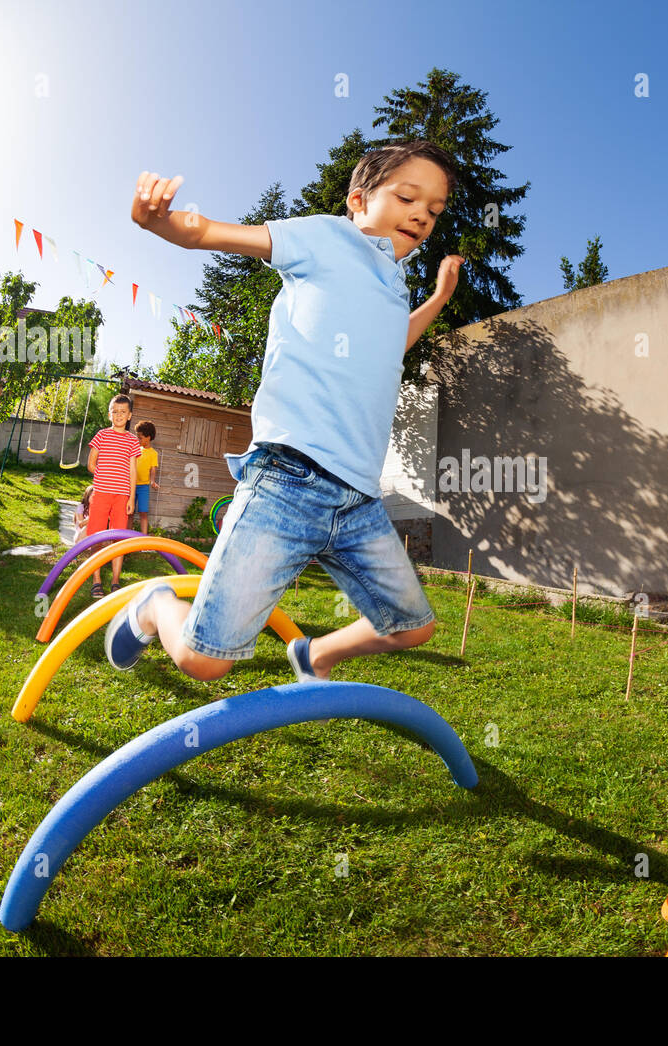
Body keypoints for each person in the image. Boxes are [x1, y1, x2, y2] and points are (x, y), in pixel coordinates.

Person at [107, 140, 463, 686]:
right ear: (358, 199)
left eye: (434, 211)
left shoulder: (393, 286)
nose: (422, 215)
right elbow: (212, 233)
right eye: (409, 197)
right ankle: (158, 606)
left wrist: (437, 300)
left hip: (358, 500)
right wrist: (159, 224)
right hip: (287, 480)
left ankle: (314, 656)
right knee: (205, 661)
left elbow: (393, 344)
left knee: (411, 626)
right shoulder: (326, 239)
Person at [86, 395, 140, 598]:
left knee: (118, 539)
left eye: (123, 412)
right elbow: (91, 464)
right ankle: (96, 580)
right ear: (110, 414)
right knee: (96, 536)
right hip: (101, 494)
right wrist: (103, 475)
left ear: (129, 416)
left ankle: (115, 581)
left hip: (122, 496)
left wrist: (131, 497)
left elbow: (133, 471)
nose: (118, 415)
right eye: (115, 411)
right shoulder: (101, 435)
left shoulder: (132, 441)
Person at [133, 420, 160, 534]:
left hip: (143, 487)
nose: (138, 440)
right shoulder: (135, 450)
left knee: (143, 512)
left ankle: (143, 539)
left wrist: (152, 481)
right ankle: (124, 539)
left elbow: (153, 469)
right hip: (132, 485)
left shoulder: (153, 453)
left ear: (148, 437)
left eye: (140, 437)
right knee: (129, 513)